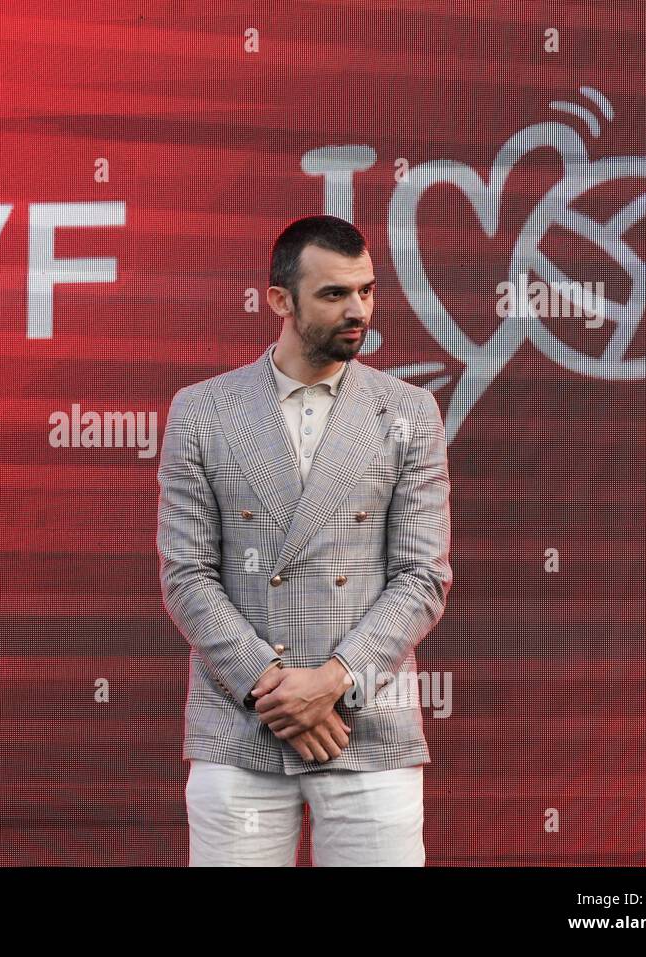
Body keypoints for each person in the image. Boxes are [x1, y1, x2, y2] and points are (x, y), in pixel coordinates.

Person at [157, 214, 452, 866]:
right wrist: (273, 684)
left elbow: (422, 575)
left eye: (367, 291)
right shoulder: (201, 411)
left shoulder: (409, 412)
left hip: (369, 725)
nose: (358, 310)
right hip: (240, 726)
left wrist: (333, 682)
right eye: (334, 294)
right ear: (279, 299)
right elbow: (186, 574)